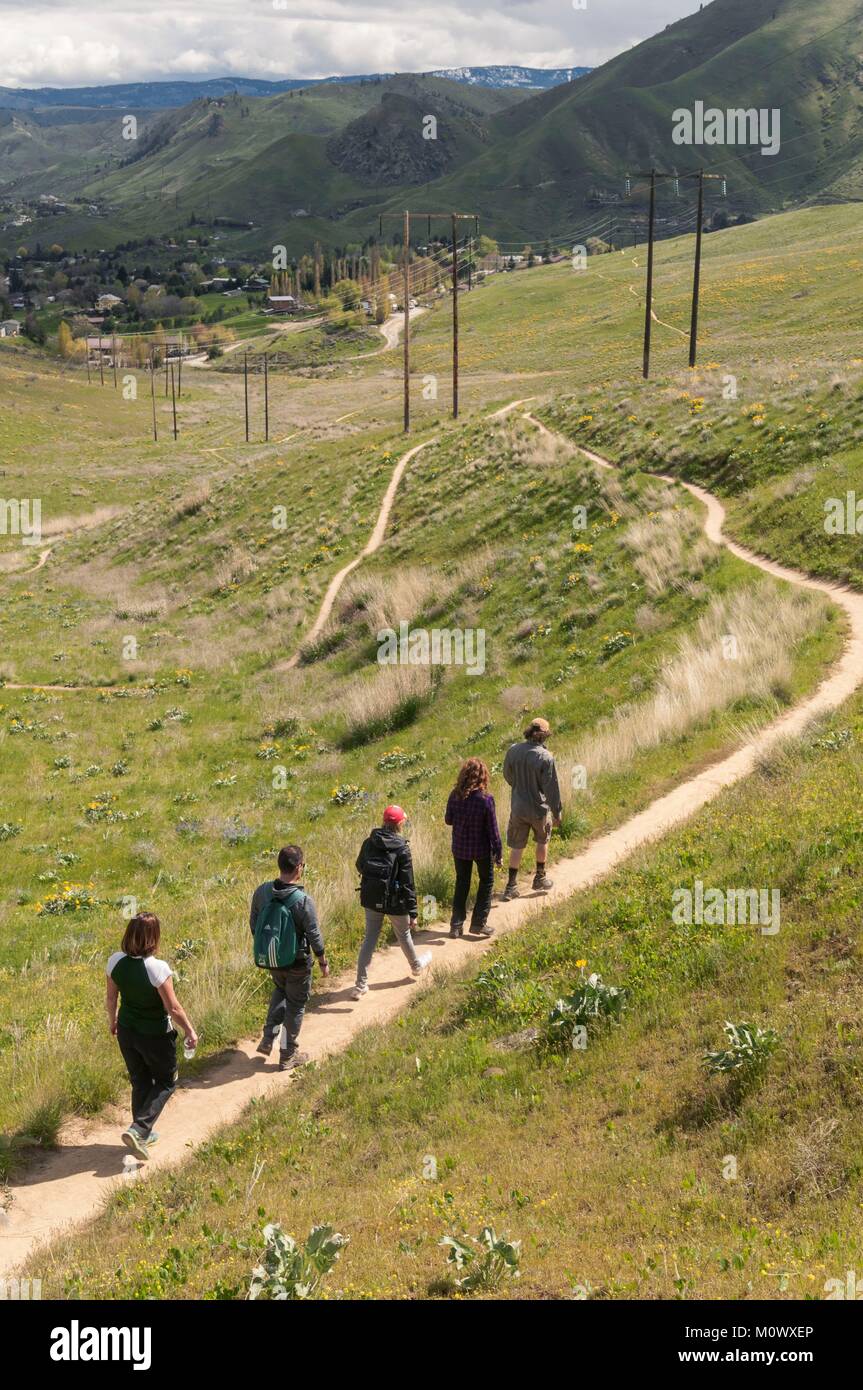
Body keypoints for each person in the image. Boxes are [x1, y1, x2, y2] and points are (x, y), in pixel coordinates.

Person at [106, 911, 197, 1161]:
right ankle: (139, 1129)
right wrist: (190, 1030)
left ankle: (141, 1133)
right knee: (167, 1082)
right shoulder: (157, 967)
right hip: (155, 1035)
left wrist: (113, 1021)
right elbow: (173, 1008)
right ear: (153, 937)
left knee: (140, 1079)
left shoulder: (114, 961)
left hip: (127, 1031)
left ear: (129, 933)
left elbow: (111, 998)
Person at [250, 844, 329, 1071]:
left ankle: (269, 1036)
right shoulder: (302, 900)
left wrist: (270, 947)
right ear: (299, 867)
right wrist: (322, 961)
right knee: (295, 1005)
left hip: (272, 959)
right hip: (297, 962)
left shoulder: (262, 892)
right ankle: (288, 1054)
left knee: (280, 991)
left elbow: (254, 924)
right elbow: (314, 934)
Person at [352, 805, 432, 1000]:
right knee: (403, 935)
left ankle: (360, 985)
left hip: (371, 898)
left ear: (384, 821)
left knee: (370, 939)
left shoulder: (369, 842)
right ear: (400, 823)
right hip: (396, 902)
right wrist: (413, 912)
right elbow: (408, 883)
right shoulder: (402, 848)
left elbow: (359, 865)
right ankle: (416, 966)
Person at [501, 716, 562, 900]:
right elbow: (551, 788)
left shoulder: (513, 750)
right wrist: (557, 812)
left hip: (518, 807)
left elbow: (507, 775)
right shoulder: (545, 757)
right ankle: (540, 878)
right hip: (538, 808)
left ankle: (511, 886)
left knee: (517, 846)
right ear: (544, 736)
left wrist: (518, 786)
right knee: (542, 840)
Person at [444, 757, 502, 938]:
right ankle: (478, 923)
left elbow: (448, 820)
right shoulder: (486, 799)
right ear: (483, 776)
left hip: (460, 848)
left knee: (462, 883)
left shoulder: (454, 795)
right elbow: (493, 829)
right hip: (481, 849)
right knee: (486, 882)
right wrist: (498, 852)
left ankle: (456, 925)